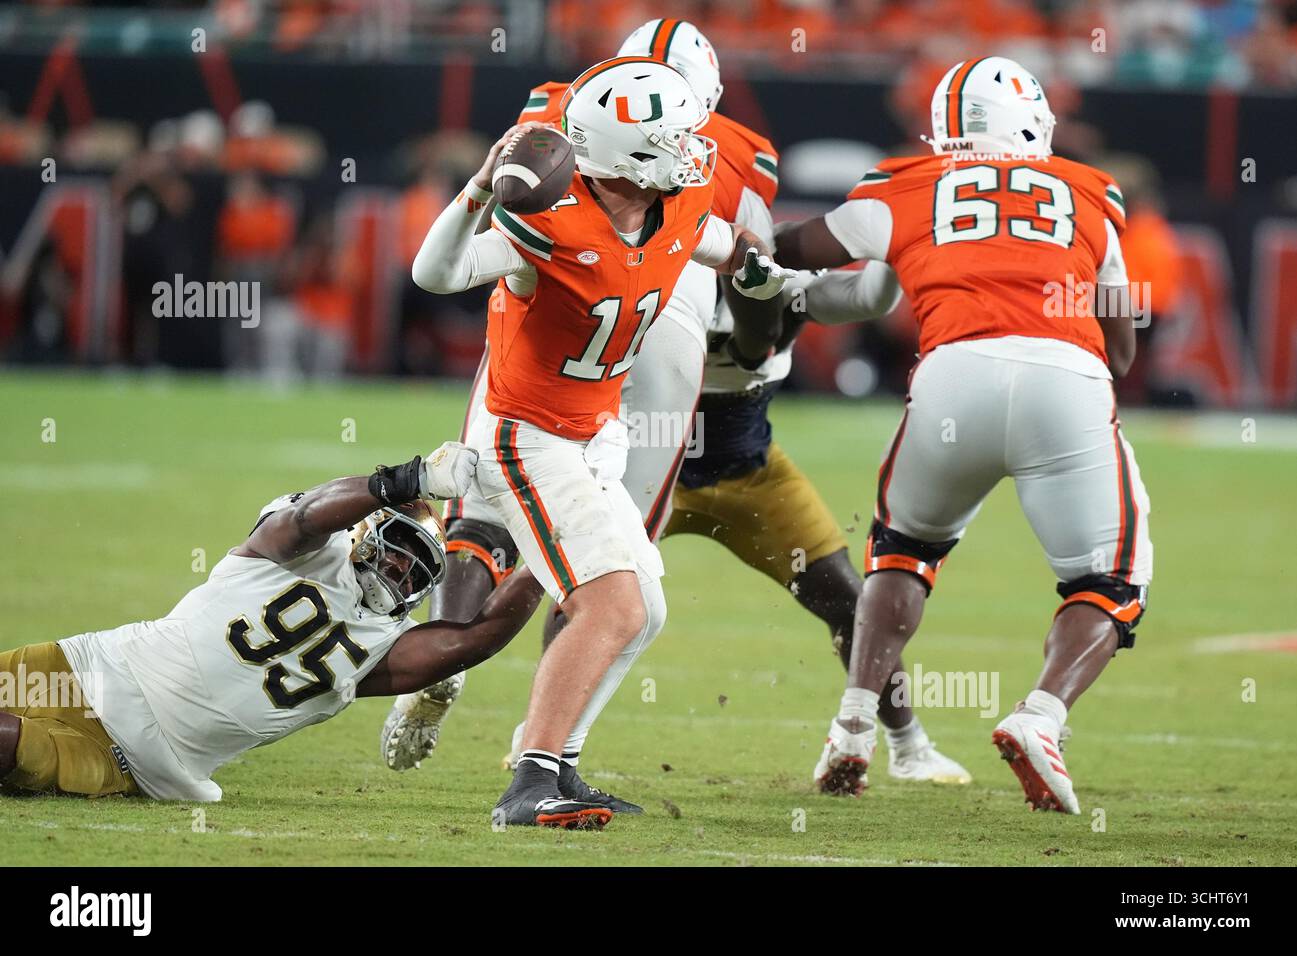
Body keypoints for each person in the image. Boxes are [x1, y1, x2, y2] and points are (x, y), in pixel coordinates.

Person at [409, 55, 791, 827]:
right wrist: (478, 191)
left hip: (596, 435)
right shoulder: (546, 221)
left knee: (644, 609)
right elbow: (434, 273)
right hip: (528, 437)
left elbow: (724, 243)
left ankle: (558, 764)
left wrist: (765, 274)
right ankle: (528, 782)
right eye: (678, 137)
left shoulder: (675, 205)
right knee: (613, 605)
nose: (696, 150)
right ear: (631, 151)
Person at [775, 57, 1153, 812]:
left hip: (953, 373)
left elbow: (797, 248)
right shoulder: (1092, 189)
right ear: (1034, 121)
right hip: (1065, 377)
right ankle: (1040, 716)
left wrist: (756, 256)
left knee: (903, 549)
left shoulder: (903, 181)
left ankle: (853, 723)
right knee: (1109, 582)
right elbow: (1122, 347)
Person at [0, 444, 561, 816]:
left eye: (415, 570)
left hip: (140, 763)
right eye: (398, 554)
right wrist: (408, 480)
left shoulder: (385, 646)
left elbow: (474, 638)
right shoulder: (303, 549)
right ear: (368, 535)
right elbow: (308, 515)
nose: (399, 570)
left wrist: (546, 549)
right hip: (86, 668)